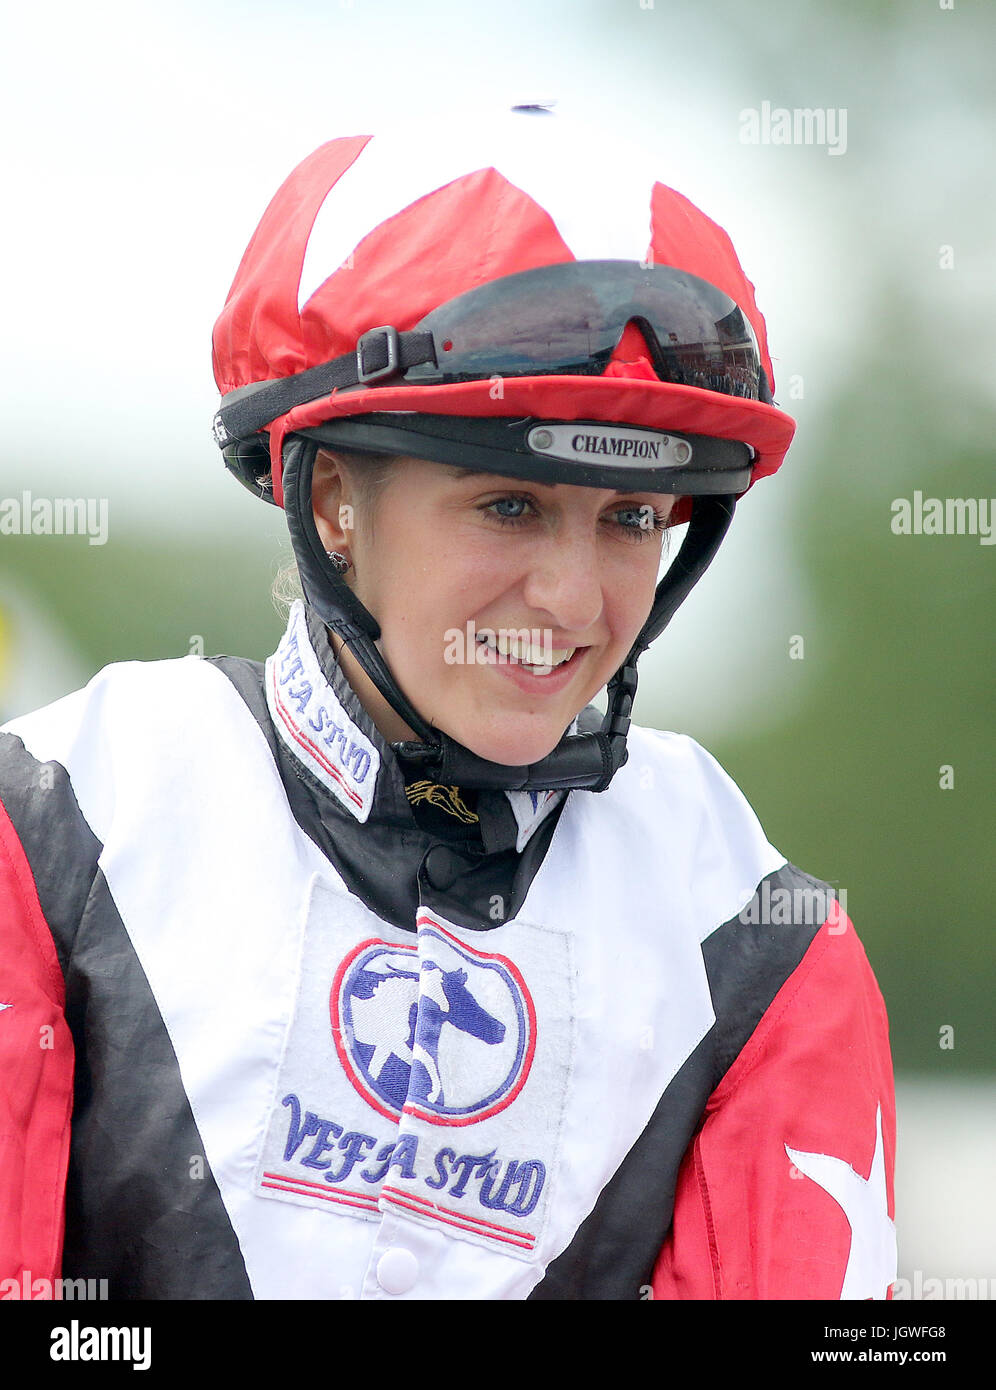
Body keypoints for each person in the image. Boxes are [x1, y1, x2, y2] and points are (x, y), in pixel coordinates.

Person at [0, 108, 895, 1301]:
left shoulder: (755, 930)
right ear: (331, 505)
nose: (575, 597)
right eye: (509, 506)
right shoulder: (58, 822)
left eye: (630, 519)